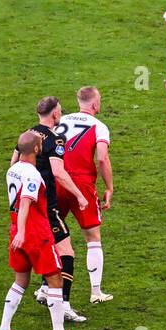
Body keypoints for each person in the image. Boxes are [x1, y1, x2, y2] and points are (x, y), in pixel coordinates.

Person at [0, 131, 83, 330]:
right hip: (36, 234)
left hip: (15, 229)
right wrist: (25, 232)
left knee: (20, 281)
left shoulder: (12, 170)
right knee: (55, 279)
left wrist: (19, 232)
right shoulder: (34, 175)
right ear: (36, 149)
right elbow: (26, 200)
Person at [17, 97, 91, 323]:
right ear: (55, 115)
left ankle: (43, 290)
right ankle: (64, 304)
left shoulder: (26, 135)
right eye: (59, 111)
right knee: (67, 253)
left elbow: (14, 165)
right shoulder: (56, 140)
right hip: (46, 207)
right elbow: (58, 172)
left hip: (25, 205)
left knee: (46, 250)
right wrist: (79, 195)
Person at [57, 86, 114, 303]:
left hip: (57, 179)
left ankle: (46, 287)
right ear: (94, 103)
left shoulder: (59, 121)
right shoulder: (99, 126)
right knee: (92, 237)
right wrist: (109, 187)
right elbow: (102, 158)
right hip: (81, 183)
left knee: (54, 232)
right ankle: (96, 292)